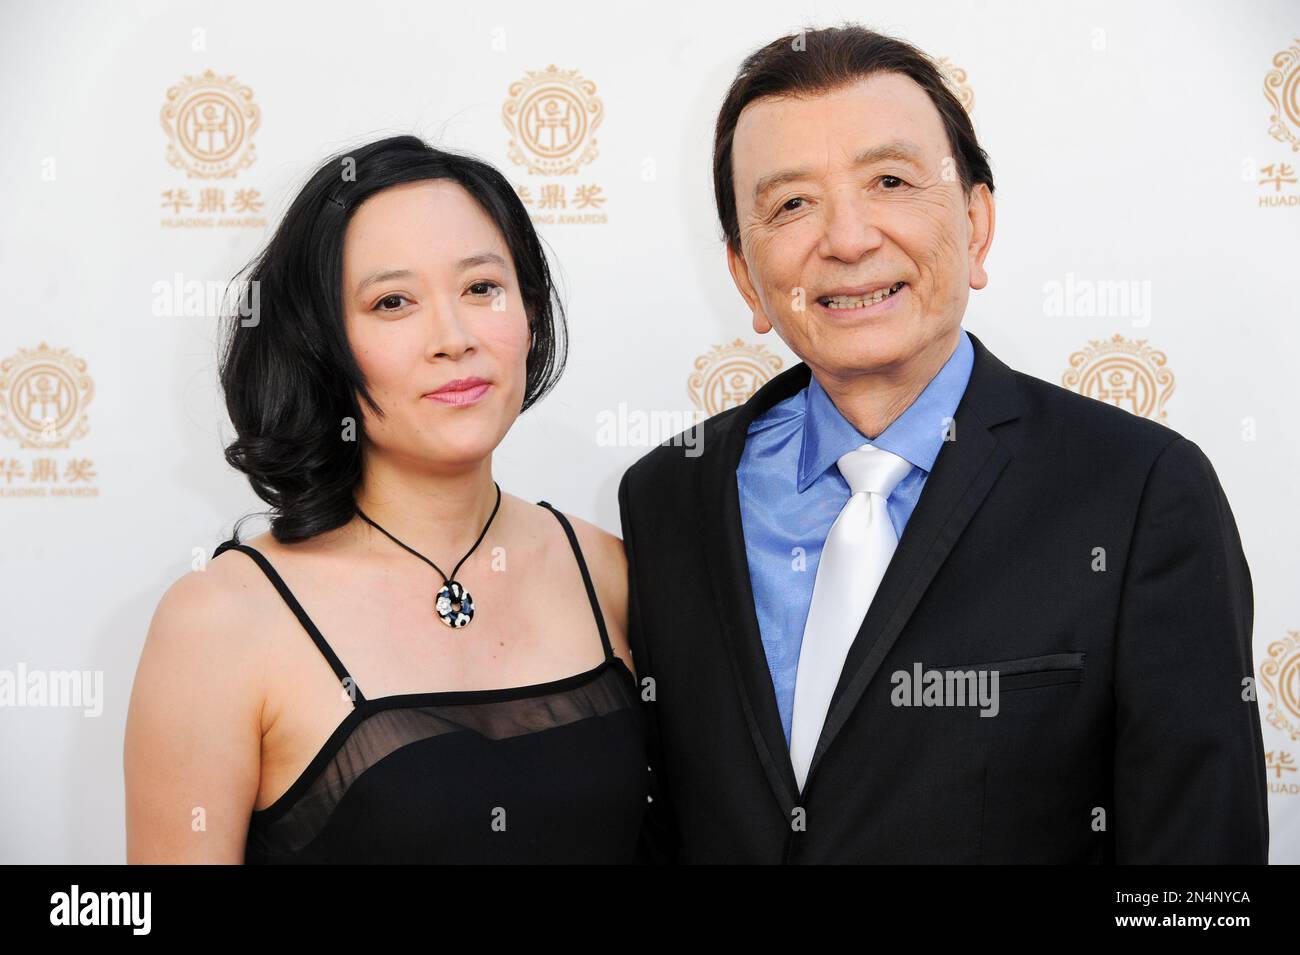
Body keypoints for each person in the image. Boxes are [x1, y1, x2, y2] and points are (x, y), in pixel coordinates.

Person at [619, 26, 1269, 863]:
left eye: (889, 181)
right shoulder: (669, 494)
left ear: (976, 223)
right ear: (746, 275)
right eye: (791, 205)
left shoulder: (1140, 491)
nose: (848, 240)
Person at [125, 135, 647, 863]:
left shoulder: (611, 569)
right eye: (392, 301)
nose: (453, 337)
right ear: (320, 344)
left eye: (481, 288)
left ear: (528, 313)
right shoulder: (220, 623)